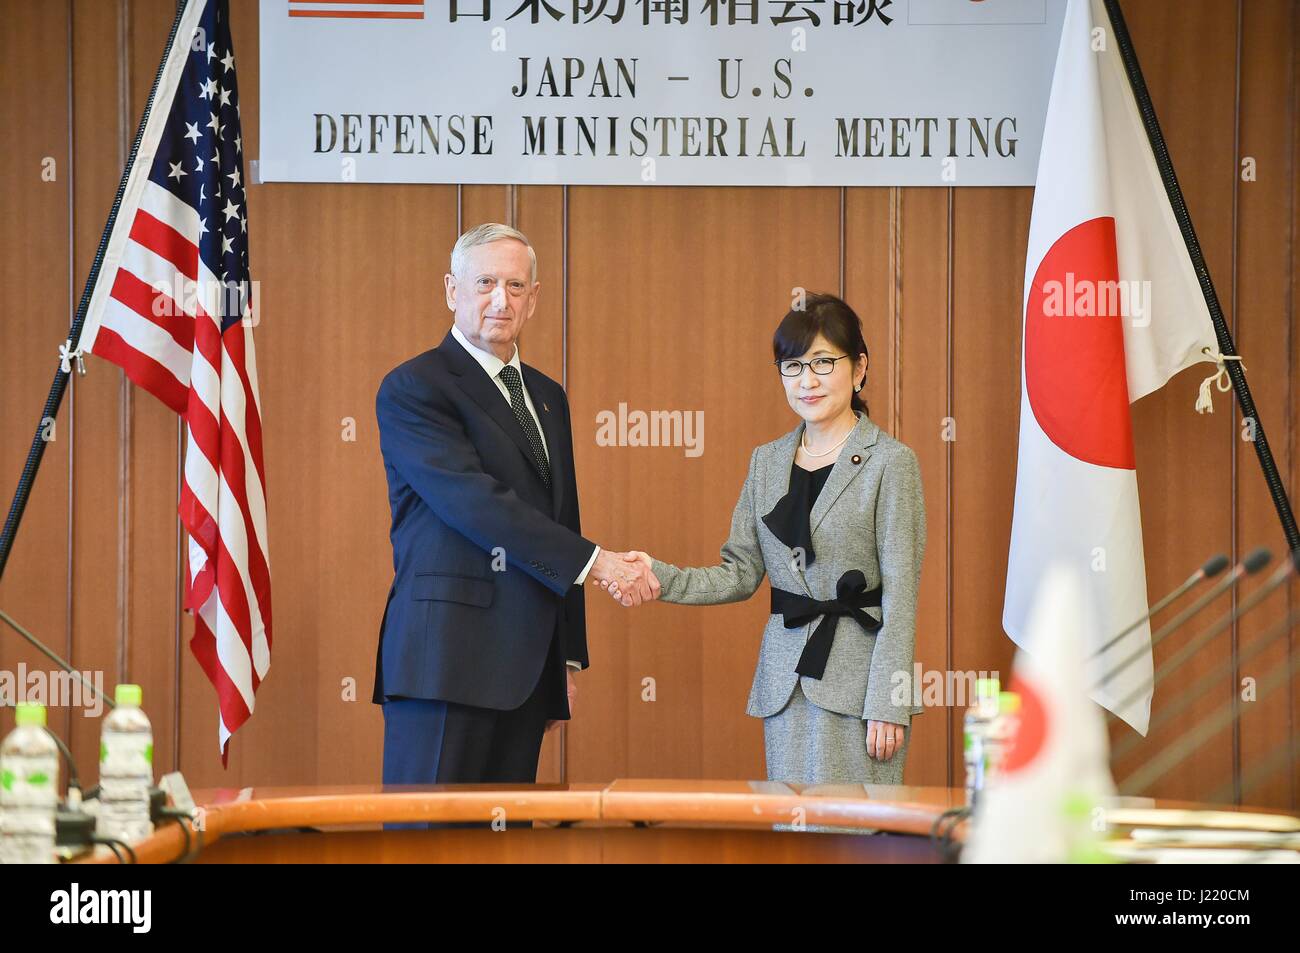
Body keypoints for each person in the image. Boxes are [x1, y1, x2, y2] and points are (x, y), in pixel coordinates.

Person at [373, 223, 657, 815]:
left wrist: (565, 658)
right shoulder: (415, 387)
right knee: (428, 851)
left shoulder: (548, 395)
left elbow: (563, 515)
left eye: (515, 285)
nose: (500, 299)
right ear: (452, 289)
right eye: (484, 283)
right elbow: (474, 503)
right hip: (444, 665)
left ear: (535, 298)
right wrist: (600, 564)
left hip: (526, 672)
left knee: (498, 851)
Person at [601, 293, 926, 787]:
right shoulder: (766, 462)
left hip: (860, 694)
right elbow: (739, 573)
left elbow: (901, 595)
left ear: (859, 369)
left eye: (823, 362)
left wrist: (891, 701)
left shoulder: (891, 462)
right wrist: (657, 576)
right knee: (793, 836)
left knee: (858, 839)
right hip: (784, 685)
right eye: (792, 367)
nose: (807, 380)